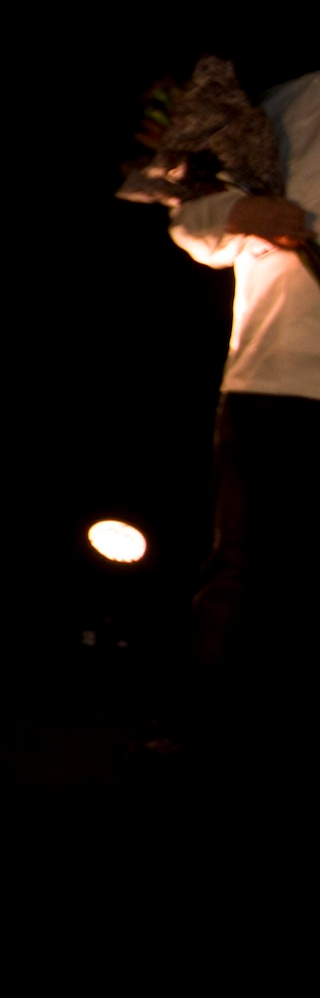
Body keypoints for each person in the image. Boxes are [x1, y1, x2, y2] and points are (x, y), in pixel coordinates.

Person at [165, 71, 317, 697]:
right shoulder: (292, 103)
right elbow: (191, 220)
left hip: (270, 391)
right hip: (274, 387)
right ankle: (208, 733)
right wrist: (243, 213)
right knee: (243, 576)